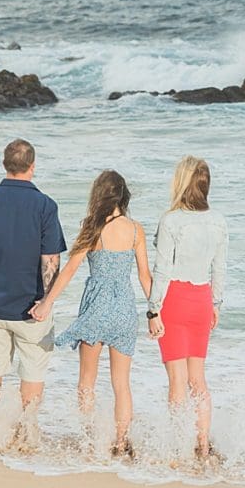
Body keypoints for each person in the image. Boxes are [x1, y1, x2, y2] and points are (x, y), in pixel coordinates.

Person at [31, 170, 152, 458]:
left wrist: (47, 302)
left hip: (96, 308)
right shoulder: (136, 229)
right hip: (124, 308)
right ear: (124, 196)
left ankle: (91, 440)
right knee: (121, 383)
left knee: (87, 380)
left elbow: (70, 270)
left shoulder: (93, 227)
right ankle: (121, 443)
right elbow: (145, 276)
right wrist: (156, 311)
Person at [0, 139, 66, 426]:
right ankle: (24, 432)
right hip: (31, 307)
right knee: (32, 374)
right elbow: (50, 259)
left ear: (4, 164)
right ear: (32, 166)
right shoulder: (45, 205)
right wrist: (46, 301)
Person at [147, 156, 228, 463]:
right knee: (199, 380)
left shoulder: (171, 220)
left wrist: (153, 310)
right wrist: (216, 303)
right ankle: (203, 445)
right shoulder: (218, 220)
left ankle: (179, 448)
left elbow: (163, 268)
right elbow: (220, 268)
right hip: (202, 298)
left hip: (175, 299)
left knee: (177, 381)